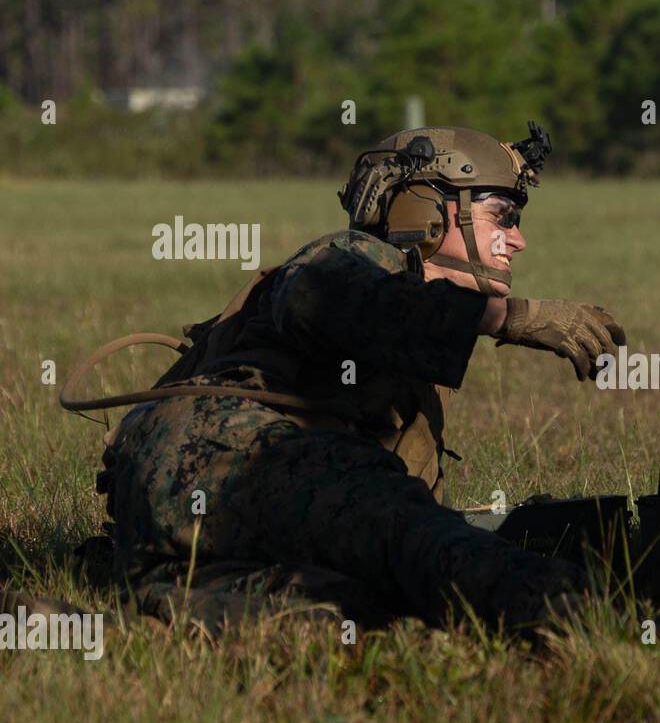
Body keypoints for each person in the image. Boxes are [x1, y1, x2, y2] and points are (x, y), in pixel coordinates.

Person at [63, 123, 625, 635]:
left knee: (360, 612)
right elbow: (334, 301)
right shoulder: (354, 255)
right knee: (426, 548)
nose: (517, 239)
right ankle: (576, 612)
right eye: (502, 215)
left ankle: (148, 621)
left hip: (195, 494)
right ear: (423, 211)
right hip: (231, 450)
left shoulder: (404, 343)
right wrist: (511, 318)